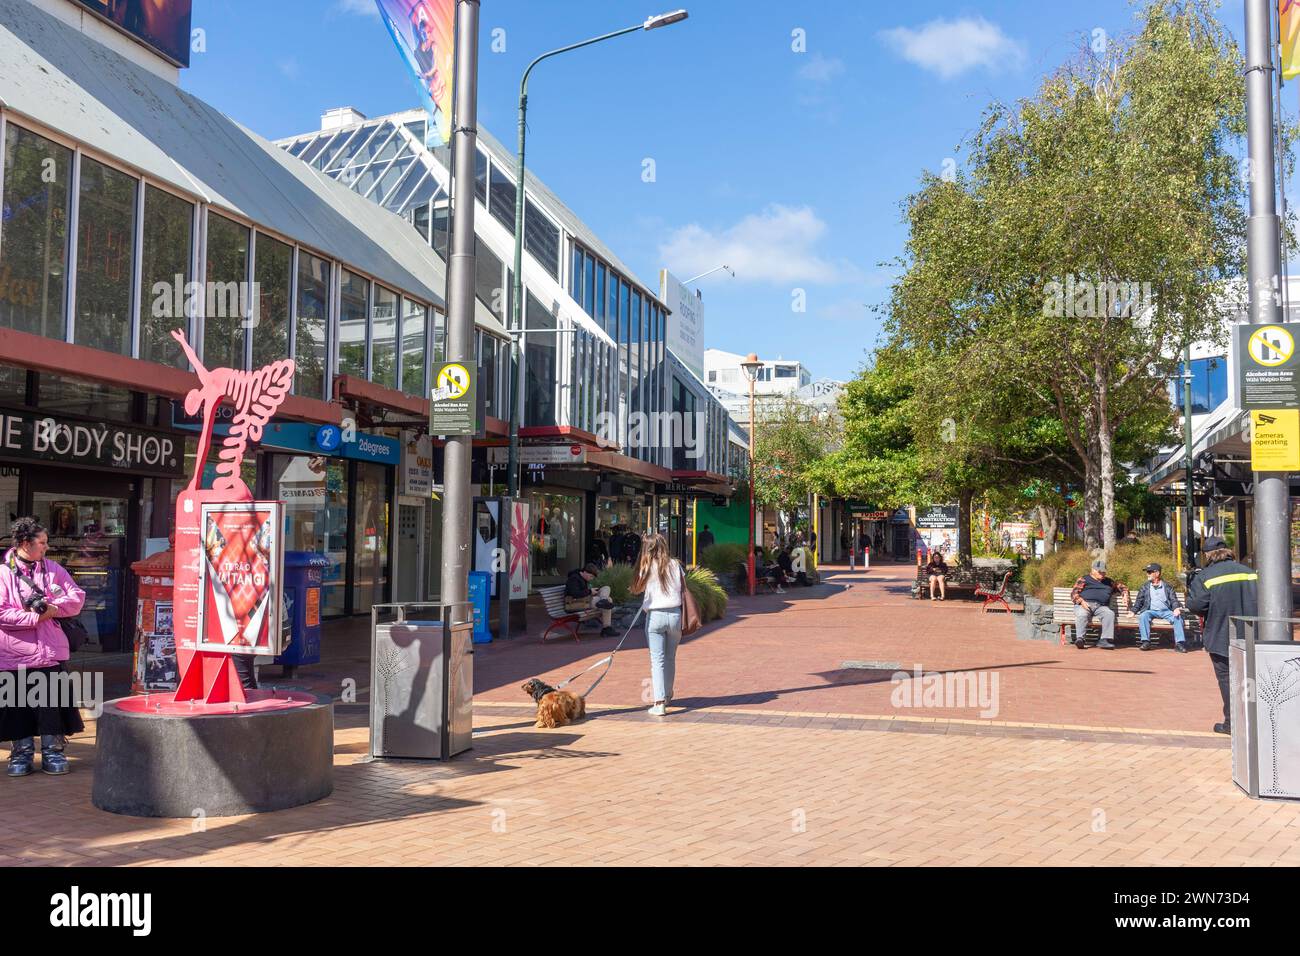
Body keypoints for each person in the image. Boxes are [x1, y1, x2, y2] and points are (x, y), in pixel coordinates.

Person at [0, 517, 86, 777]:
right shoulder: (3, 574)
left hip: (49, 652)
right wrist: (36, 616)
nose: (46, 547)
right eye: (42, 542)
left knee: (52, 704)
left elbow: (76, 598)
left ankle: (53, 751)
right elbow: (2, 612)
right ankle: (22, 752)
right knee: (16, 707)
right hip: (13, 653)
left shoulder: (53, 569)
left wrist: (52, 607)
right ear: (26, 543)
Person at [1186, 536, 1258, 735]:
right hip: (1253, 635)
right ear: (1228, 551)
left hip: (1220, 635)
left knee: (1227, 679)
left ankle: (1232, 723)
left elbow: (1196, 605)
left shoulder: (1205, 576)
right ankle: (1254, 719)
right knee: (1249, 676)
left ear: (1208, 554)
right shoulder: (1250, 573)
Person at [631, 533, 684, 718]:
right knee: (670, 658)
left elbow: (636, 589)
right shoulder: (675, 564)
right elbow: (682, 588)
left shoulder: (646, 567)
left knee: (657, 660)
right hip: (675, 615)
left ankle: (659, 702)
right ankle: (667, 695)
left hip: (655, 616)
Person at [1070, 558, 1129, 650]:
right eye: (1100, 572)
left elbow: (1122, 587)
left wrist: (1125, 595)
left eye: (1104, 572)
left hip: (1101, 606)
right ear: (1093, 570)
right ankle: (1080, 639)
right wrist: (1081, 601)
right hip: (1085, 604)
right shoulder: (1084, 579)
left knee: (1109, 613)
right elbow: (1074, 593)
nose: (1103, 574)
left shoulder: (1108, 582)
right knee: (1082, 614)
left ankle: (1104, 640)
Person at [1132, 562, 1187, 653]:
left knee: (1178, 618)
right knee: (1143, 616)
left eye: (1149, 572)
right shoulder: (1145, 587)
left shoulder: (1167, 586)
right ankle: (1146, 642)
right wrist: (1133, 611)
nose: (1147, 574)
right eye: (1147, 572)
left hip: (1166, 611)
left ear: (1157, 573)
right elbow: (1139, 601)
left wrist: (1176, 608)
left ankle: (1179, 644)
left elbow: (1173, 599)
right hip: (1150, 611)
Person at [564, 562, 617, 637]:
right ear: (585, 572)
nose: (591, 579)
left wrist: (593, 592)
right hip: (575, 603)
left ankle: (603, 600)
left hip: (585, 600)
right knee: (608, 600)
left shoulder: (582, 578)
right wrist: (589, 591)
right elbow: (574, 593)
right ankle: (606, 628)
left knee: (606, 588)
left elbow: (582, 592)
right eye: (591, 576)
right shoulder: (574, 578)